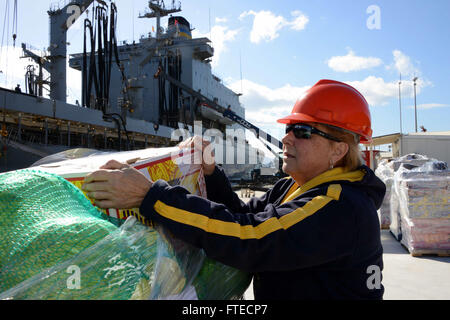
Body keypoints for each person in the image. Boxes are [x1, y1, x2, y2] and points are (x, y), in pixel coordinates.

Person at [82, 79, 386, 300]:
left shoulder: (340, 206)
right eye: (288, 129)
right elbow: (241, 214)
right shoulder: (292, 188)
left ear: (338, 150)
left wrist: (151, 196)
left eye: (303, 131)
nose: (287, 139)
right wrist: (212, 173)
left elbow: (251, 239)